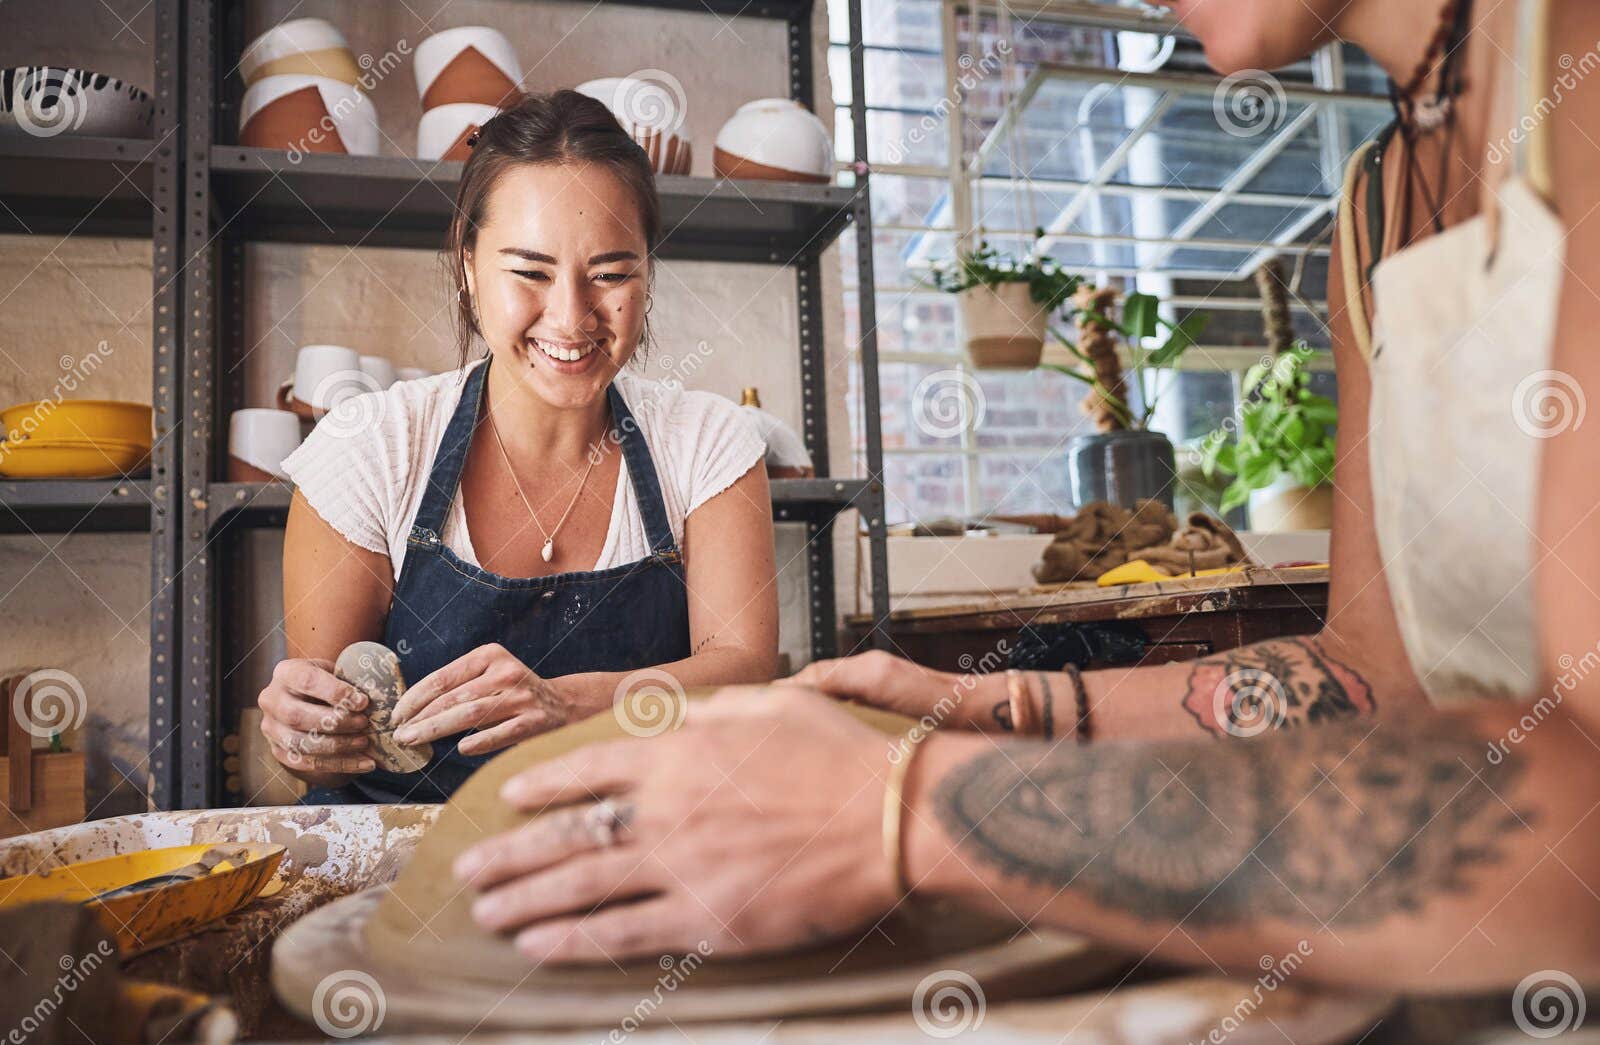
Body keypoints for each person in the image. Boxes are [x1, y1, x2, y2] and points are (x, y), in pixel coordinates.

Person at [450, 0, 1600, 992]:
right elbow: (1362, 682)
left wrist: (908, 806)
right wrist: (983, 708)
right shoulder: (1373, 207)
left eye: (608, 271)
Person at [257, 91, 778, 803]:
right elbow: (318, 753)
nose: (571, 317)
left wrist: (571, 706)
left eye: (611, 273)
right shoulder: (369, 446)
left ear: (647, 273)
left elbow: (746, 676)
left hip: (629, 859)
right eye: (530, 273)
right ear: (469, 267)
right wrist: (302, 735)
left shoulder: (708, 442)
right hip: (400, 872)